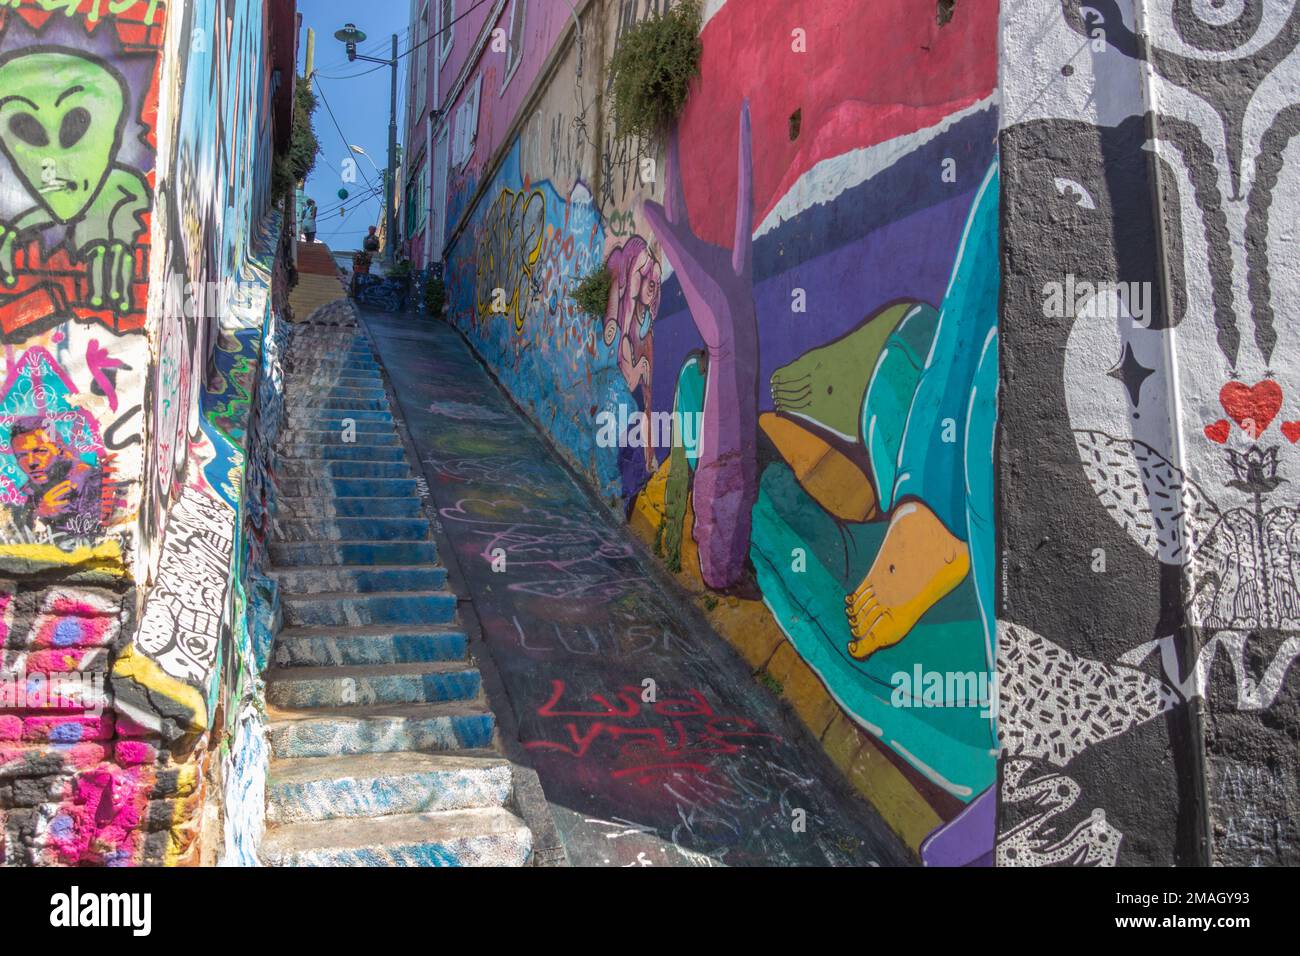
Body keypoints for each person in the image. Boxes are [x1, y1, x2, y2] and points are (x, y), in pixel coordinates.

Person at [8, 418, 103, 541]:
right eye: (22, 456)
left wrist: (53, 517)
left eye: (40, 451)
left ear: (59, 448)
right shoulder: (33, 490)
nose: (31, 462)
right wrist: (39, 514)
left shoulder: (91, 481)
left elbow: (96, 538)